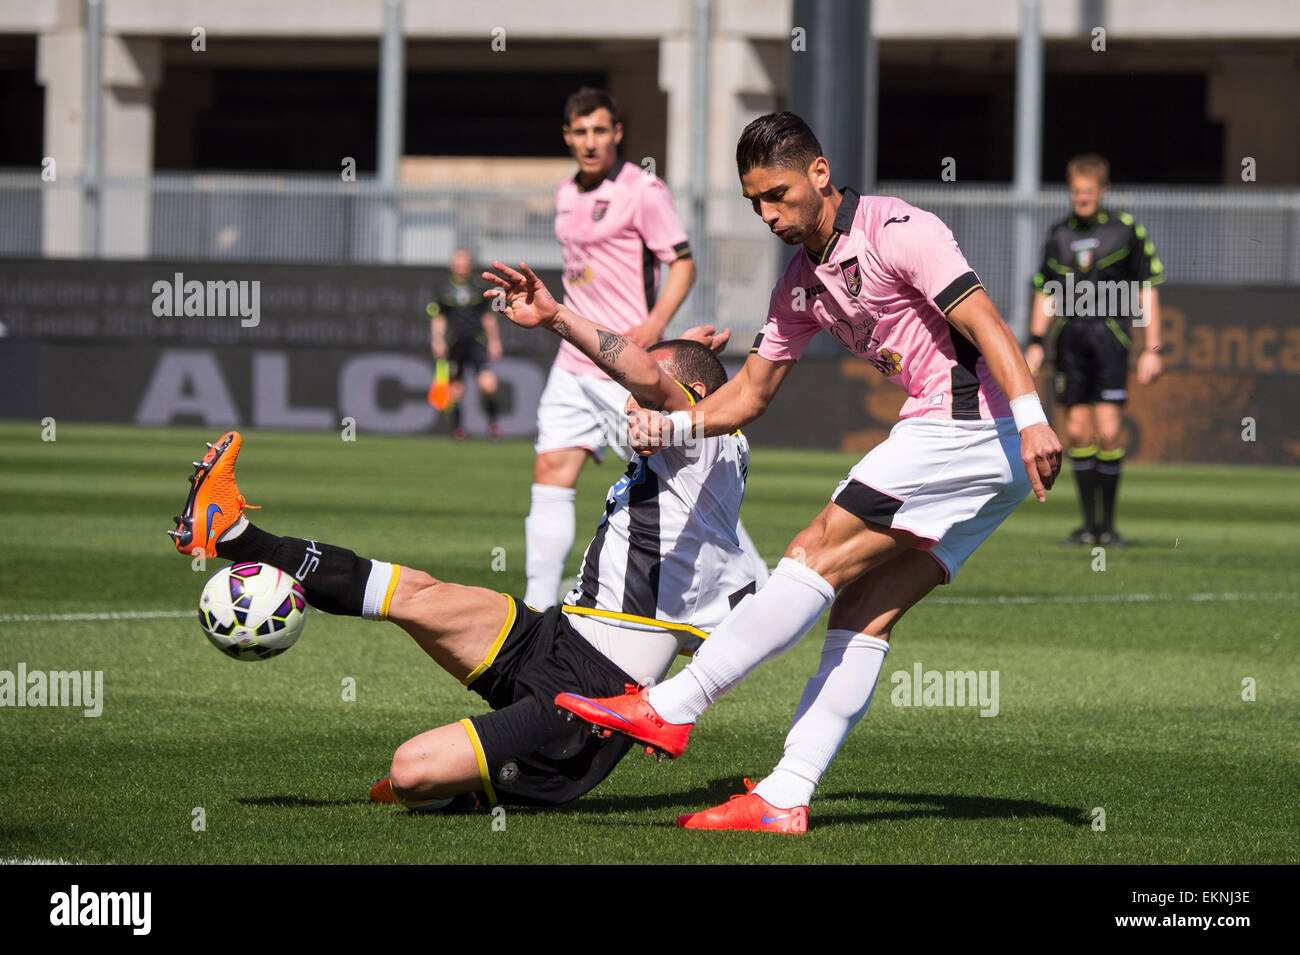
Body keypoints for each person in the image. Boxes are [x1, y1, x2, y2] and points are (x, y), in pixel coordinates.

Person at [557, 112, 1063, 832]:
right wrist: (671, 425)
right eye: (755, 202)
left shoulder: (895, 229)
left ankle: (673, 706)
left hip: (973, 424)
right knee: (863, 608)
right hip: (985, 449)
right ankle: (785, 794)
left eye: (780, 194)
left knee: (813, 547)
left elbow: (985, 320)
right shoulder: (801, 282)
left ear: (820, 174)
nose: (769, 214)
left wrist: (1033, 411)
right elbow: (751, 394)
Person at [166, 262, 759, 810]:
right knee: (416, 594)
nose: (631, 413)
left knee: (409, 772)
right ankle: (232, 531)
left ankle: (496, 786)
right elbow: (674, 380)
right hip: (557, 635)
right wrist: (692, 362)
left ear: (694, 400)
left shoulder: (695, 437)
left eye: (643, 402)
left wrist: (555, 317)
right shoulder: (708, 440)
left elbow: (653, 374)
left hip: (596, 696)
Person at [525, 87, 767, 609]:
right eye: (580, 132)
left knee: (680, 481)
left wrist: (655, 326)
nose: (590, 142)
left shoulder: (643, 189)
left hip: (626, 368)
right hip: (572, 361)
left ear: (617, 133)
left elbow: (682, 262)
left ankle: (755, 583)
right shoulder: (565, 193)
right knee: (551, 471)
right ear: (568, 136)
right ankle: (537, 608)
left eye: (600, 131)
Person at [1024, 154, 1164, 547]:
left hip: (1111, 341)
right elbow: (1045, 291)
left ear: (1103, 191)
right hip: (1071, 343)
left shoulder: (1125, 231)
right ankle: (1089, 528)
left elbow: (1146, 287)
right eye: (1076, 192)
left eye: (1088, 192)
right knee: (1077, 432)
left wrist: (1153, 347)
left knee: (1108, 430)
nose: (1082, 199)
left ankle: (1108, 526)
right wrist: (1036, 343)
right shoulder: (1058, 234)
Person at [427, 248, 504, 439]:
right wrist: (437, 340)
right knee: (456, 389)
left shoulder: (479, 287)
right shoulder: (442, 289)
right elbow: (438, 318)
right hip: (454, 344)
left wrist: (495, 341)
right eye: (458, 262)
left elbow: (489, 317)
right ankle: (458, 429)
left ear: (470, 265)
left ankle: (493, 423)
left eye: (465, 262)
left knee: (489, 385)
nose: (461, 266)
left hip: (476, 343)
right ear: (452, 265)